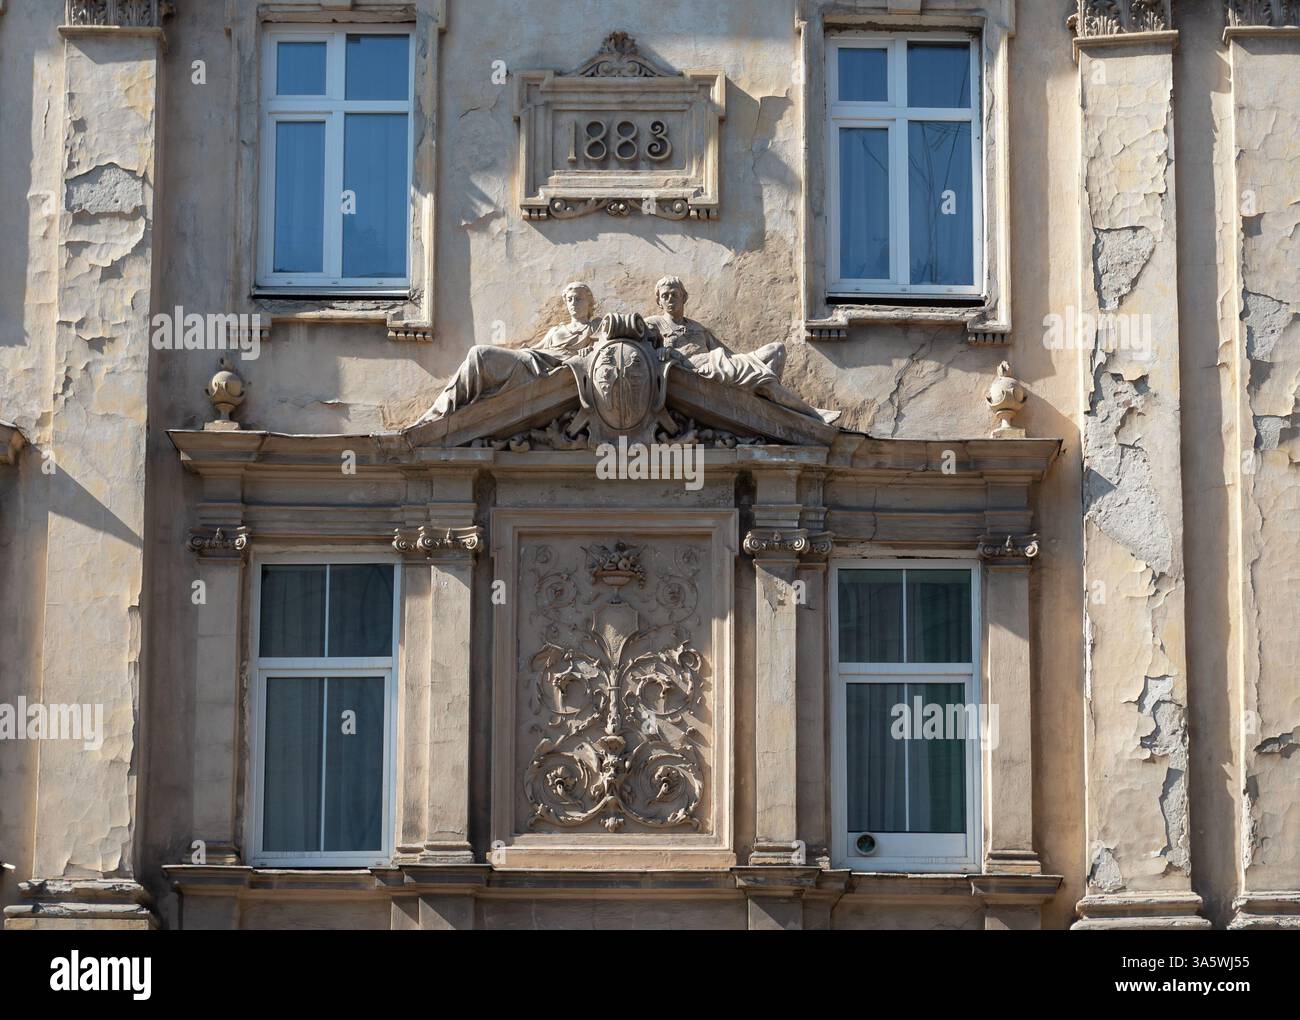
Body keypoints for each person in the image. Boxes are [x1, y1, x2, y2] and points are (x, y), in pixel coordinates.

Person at [644, 276, 839, 424]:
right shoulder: (654, 324)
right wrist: (660, 352)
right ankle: (813, 414)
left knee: (777, 349)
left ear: (684, 297)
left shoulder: (697, 328)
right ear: (659, 301)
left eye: (674, 294)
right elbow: (637, 341)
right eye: (665, 296)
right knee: (765, 380)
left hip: (720, 361)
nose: (670, 299)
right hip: (699, 369)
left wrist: (748, 361)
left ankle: (764, 397)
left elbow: (727, 353)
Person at [421, 282, 599, 420]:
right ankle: (444, 408)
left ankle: (444, 410)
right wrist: (523, 350)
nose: (573, 303)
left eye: (578, 299)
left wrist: (588, 351)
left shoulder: (594, 327)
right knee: (478, 354)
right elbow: (536, 348)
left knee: (479, 353)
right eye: (570, 299)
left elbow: (603, 350)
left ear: (589, 303)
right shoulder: (556, 330)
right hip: (531, 360)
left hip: (543, 368)